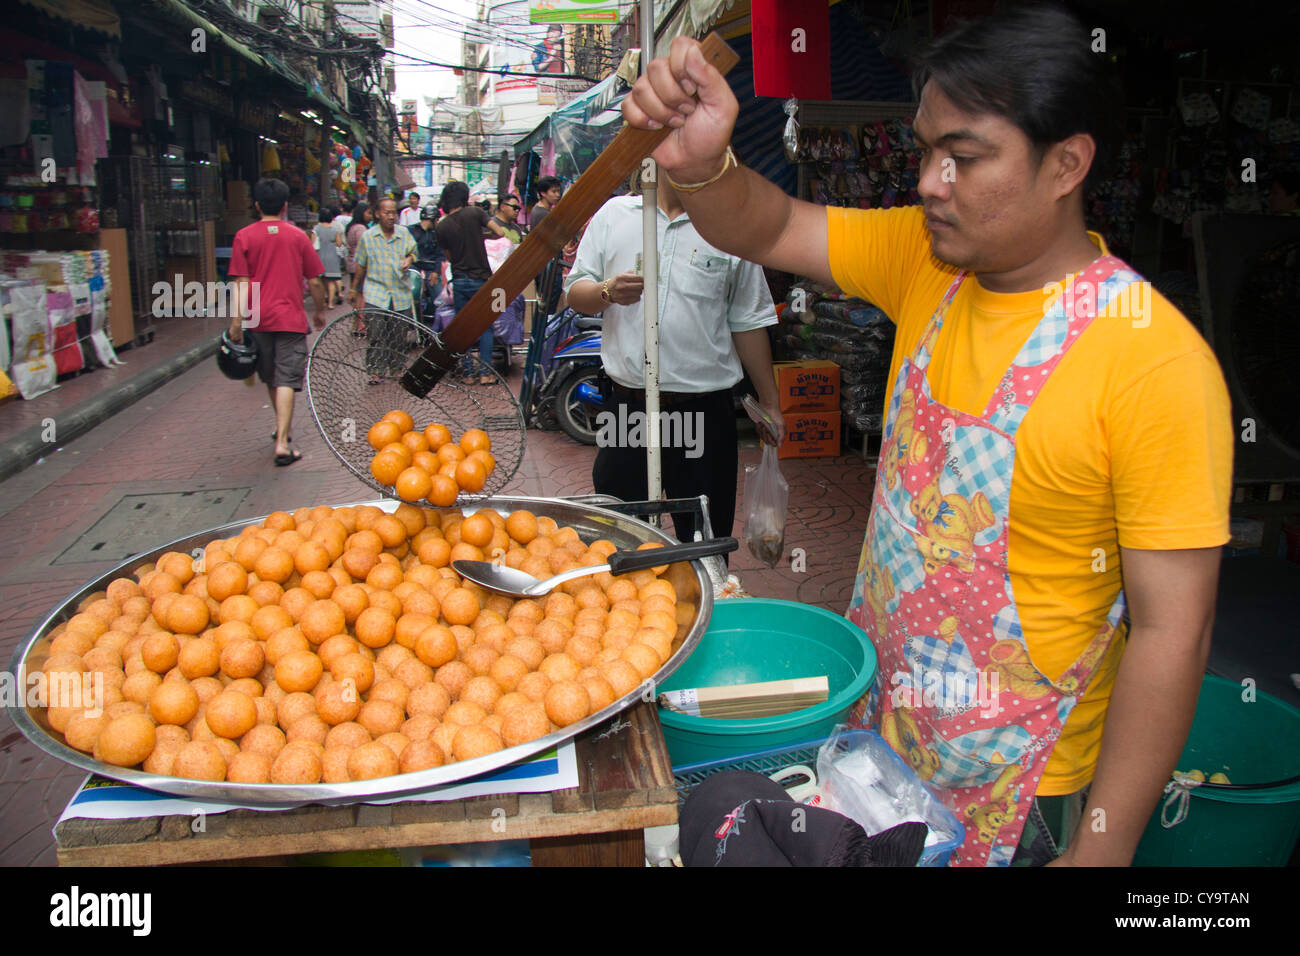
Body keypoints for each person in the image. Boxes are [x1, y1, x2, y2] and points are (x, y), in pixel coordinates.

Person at [623, 6, 1232, 868]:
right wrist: (704, 162)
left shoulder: (1152, 360)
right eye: (925, 151)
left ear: (1068, 163)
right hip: (881, 734)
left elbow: (1177, 633)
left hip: (1024, 787)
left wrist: (1105, 846)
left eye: (966, 156)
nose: (930, 182)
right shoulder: (927, 264)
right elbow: (765, 225)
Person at [564, 172, 784, 545]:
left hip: (702, 413)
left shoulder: (729, 227)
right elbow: (575, 292)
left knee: (703, 541)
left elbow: (747, 321)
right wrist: (607, 291)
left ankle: (705, 600)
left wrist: (770, 402)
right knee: (618, 536)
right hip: (629, 410)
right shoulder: (615, 215)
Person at [227, 177, 326, 466]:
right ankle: (283, 441)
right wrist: (319, 310)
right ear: (285, 206)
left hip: (258, 320)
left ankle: (283, 430)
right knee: (286, 378)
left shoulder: (243, 236)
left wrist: (237, 321)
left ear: (256, 205)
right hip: (290, 318)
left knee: (271, 376)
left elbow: (241, 282)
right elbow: (316, 281)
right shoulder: (297, 236)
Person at [435, 180, 506, 384]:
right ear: (464, 197)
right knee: (485, 326)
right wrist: (481, 236)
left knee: (463, 329)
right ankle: (485, 374)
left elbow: (448, 257)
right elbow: (500, 232)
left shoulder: (443, 226)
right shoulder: (475, 213)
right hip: (481, 280)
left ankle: (467, 374)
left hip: (459, 281)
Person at [352, 197, 418, 383]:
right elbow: (361, 264)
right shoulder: (368, 236)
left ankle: (396, 368)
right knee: (376, 334)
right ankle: (375, 370)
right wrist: (354, 289)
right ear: (378, 214)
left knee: (399, 335)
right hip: (376, 293)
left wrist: (409, 259)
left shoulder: (404, 234)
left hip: (400, 293)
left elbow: (414, 251)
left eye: (394, 213)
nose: (391, 216)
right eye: (387, 213)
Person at [530, 177, 566, 319]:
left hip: (545, 267)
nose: (557, 195)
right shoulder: (542, 214)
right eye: (554, 191)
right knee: (547, 309)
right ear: (543, 193)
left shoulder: (538, 211)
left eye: (558, 191)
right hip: (548, 269)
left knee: (545, 307)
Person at [408, 204, 444, 322]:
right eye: (437, 220)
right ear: (433, 219)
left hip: (431, 269)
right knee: (413, 296)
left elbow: (440, 255)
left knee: (440, 299)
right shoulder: (410, 231)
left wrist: (436, 272)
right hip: (414, 268)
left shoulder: (438, 233)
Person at [313, 208, 346, 308]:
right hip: (332, 255)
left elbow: (312, 243)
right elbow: (339, 243)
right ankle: (331, 303)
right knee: (331, 280)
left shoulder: (316, 229)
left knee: (322, 280)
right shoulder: (335, 230)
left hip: (320, 255)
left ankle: (323, 301)